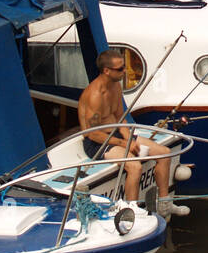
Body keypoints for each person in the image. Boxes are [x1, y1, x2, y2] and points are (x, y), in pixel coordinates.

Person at [77, 49, 187, 216]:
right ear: (107, 71)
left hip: (118, 136)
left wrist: (129, 138)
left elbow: (119, 117)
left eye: (124, 67)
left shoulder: (115, 86)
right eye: (120, 69)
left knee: (164, 153)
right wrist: (125, 144)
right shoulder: (95, 95)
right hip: (99, 143)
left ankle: (164, 204)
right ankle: (131, 211)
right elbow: (93, 134)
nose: (125, 71)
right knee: (134, 166)